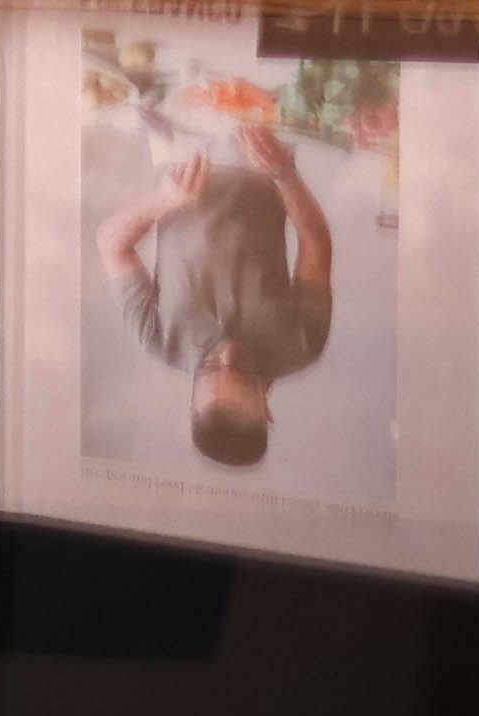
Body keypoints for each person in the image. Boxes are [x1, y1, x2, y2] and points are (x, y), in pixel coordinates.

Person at [111, 107, 338, 471]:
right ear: (266, 411)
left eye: (211, 364)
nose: (228, 351)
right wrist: (284, 173)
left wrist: (165, 200)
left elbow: (111, 244)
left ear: (190, 402)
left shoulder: (157, 340)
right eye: (245, 371)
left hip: (178, 156)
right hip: (260, 158)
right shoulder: (303, 345)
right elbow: (316, 245)